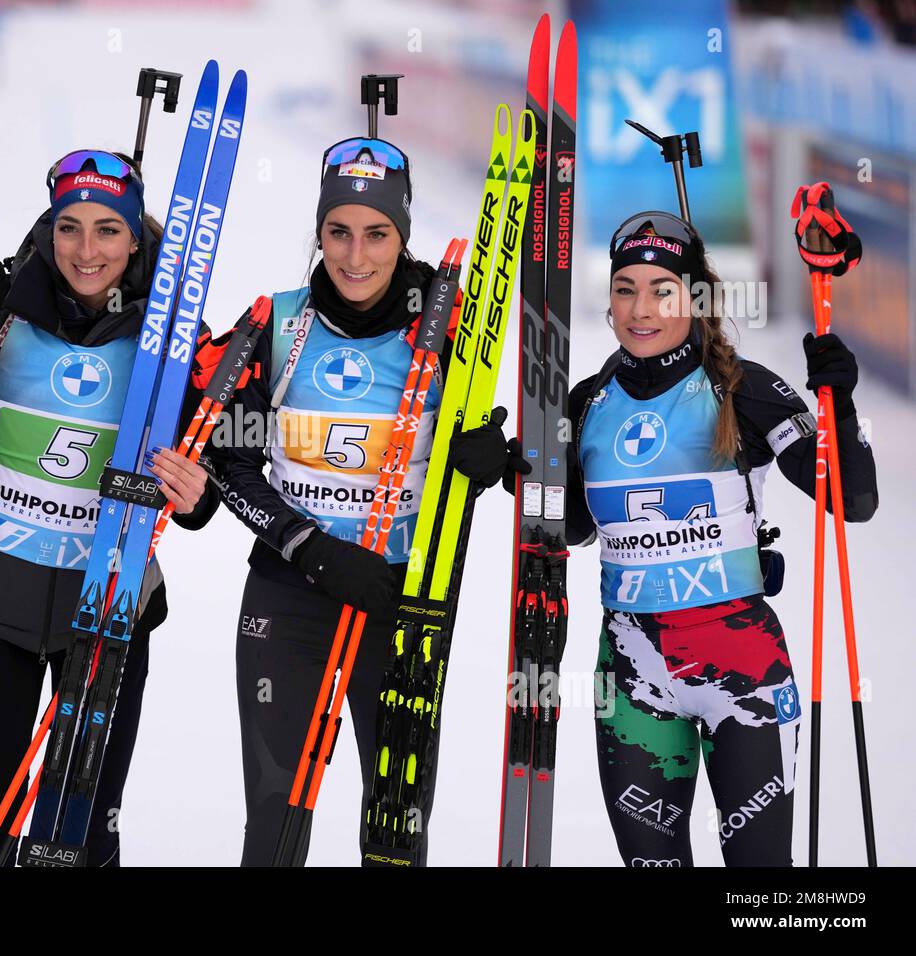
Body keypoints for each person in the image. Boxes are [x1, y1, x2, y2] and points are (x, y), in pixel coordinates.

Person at [207, 137, 526, 865]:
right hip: (289, 598)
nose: (356, 256)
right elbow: (229, 464)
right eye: (338, 232)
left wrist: (481, 463)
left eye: (377, 234)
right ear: (317, 234)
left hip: (404, 601)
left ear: (402, 234)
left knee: (395, 830)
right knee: (275, 824)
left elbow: (495, 453)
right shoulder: (279, 328)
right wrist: (310, 548)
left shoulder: (449, 336)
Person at [567, 211, 879, 867]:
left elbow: (851, 497)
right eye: (625, 287)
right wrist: (505, 466)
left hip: (744, 673)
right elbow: (567, 525)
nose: (640, 309)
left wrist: (840, 404)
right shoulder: (586, 403)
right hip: (631, 677)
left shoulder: (745, 391)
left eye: (663, 290)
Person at [0, 150, 219, 867]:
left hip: (107, 610)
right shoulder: (3, 309)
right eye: (70, 228)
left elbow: (203, 474)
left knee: (84, 831)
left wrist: (196, 496)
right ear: (48, 230)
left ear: (135, 238)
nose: (87, 250)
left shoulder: (176, 335)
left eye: (107, 230)